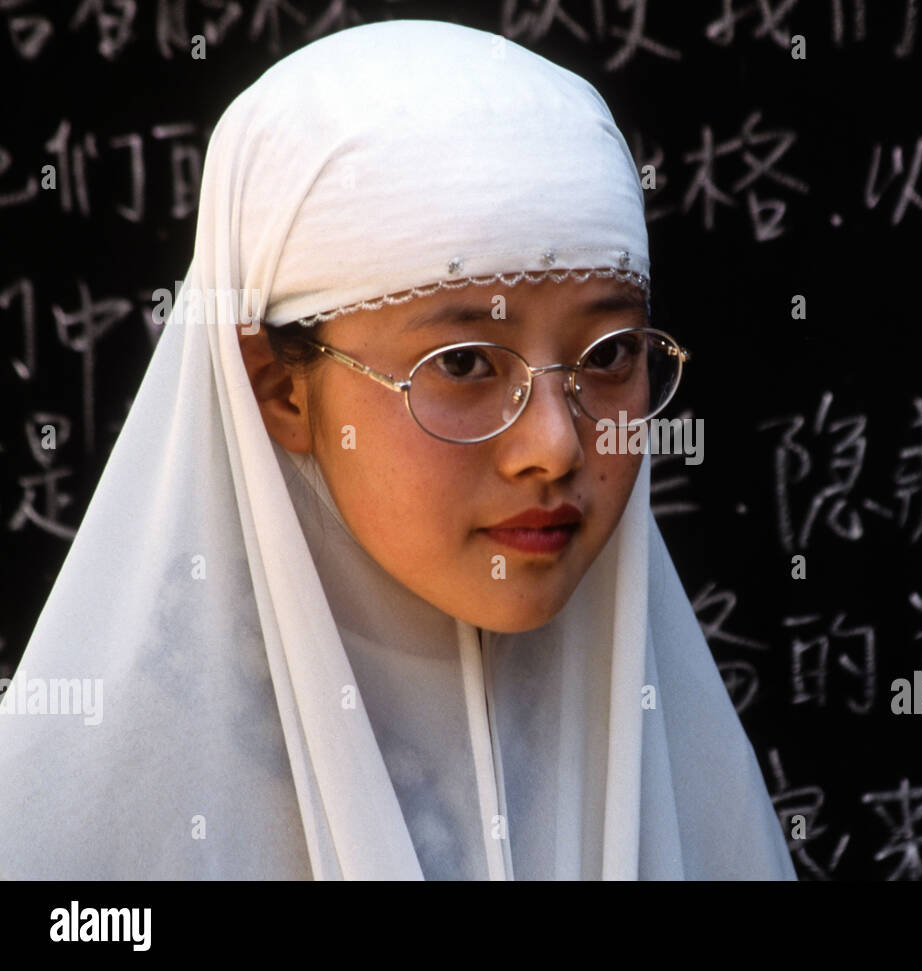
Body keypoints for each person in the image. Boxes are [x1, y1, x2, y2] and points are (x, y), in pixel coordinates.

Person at [0, 19, 796, 880]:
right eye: (461, 364)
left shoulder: (678, 770)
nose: (556, 446)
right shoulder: (97, 828)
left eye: (609, 355)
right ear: (282, 389)